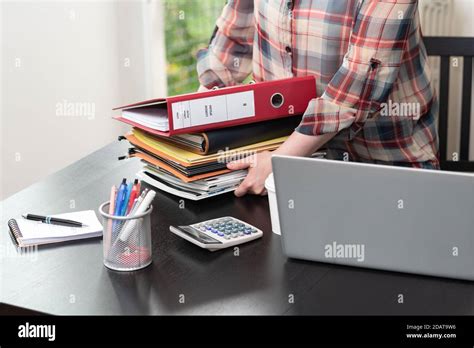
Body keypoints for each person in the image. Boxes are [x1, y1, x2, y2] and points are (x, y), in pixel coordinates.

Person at [196, 0, 438, 197]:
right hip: (280, 157)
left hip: (384, 166)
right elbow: (232, 44)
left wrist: (278, 163)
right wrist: (191, 127)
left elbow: (358, 81)